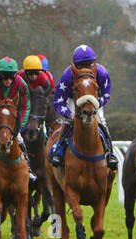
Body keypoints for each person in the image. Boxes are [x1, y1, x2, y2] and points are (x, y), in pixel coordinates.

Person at [48, 45, 117, 173]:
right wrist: (69, 115)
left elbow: (106, 94)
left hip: (94, 102)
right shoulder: (67, 76)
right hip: (73, 101)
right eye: (81, 66)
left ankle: (110, 153)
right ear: (75, 66)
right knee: (68, 123)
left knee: (101, 122)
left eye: (89, 65)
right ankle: (58, 151)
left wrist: (96, 104)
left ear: (94, 64)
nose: (85, 69)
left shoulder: (102, 73)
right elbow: (59, 101)